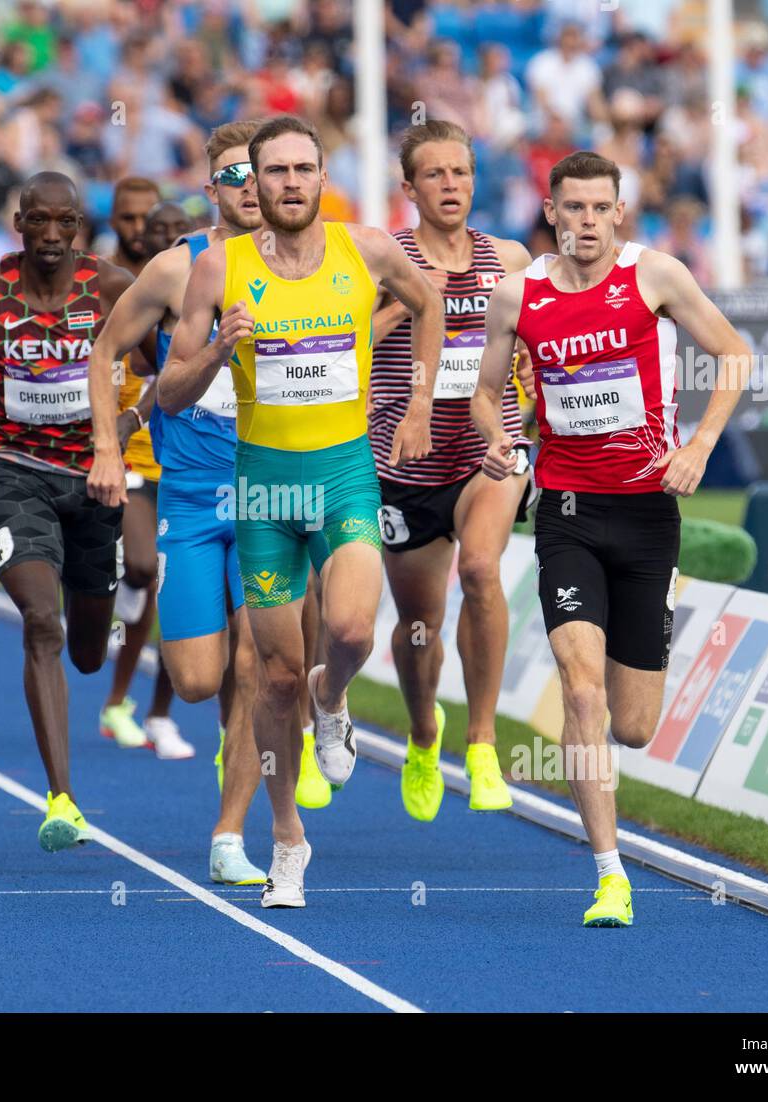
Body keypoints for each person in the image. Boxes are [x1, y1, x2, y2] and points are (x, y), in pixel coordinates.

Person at [155, 116, 444, 907]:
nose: (288, 182)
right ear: (250, 180)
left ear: (323, 176)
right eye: (272, 170)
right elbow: (166, 391)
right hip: (266, 490)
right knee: (273, 679)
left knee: (349, 631)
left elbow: (432, 305)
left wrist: (417, 405)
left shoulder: (369, 250)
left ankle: (337, 695)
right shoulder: (219, 268)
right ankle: (287, 840)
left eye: (303, 168)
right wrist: (217, 348)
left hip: (345, 473)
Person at [473, 151, 751, 927]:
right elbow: (485, 395)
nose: (587, 222)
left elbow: (734, 353)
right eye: (573, 208)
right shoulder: (516, 295)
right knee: (580, 686)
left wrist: (696, 446)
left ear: (619, 213)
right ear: (551, 214)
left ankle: (649, 631)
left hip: (648, 512)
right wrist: (499, 439)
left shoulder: (654, 276)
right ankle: (609, 873)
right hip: (564, 510)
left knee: (630, 724)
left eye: (601, 208)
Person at [89, 121, 298, 884]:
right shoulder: (178, 268)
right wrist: (110, 445)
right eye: (235, 177)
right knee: (200, 678)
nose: (252, 187)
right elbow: (107, 351)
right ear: (213, 189)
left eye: (263, 173)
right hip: (189, 496)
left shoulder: (317, 261)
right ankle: (228, 741)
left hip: (276, 494)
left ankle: (230, 834)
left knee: (262, 663)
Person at [0, 172, 140, 853]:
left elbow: (157, 356)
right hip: (19, 475)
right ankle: (61, 798)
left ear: (79, 227)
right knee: (39, 620)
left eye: (65, 223)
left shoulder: (110, 288)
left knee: (87, 651)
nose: (52, 236)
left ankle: (96, 632)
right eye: (40, 222)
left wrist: (137, 416)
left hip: (95, 483)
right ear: (19, 222)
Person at [369, 120, 534, 821]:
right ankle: (424, 733)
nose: (450, 186)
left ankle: (484, 742)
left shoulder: (511, 257)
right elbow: (340, 343)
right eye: (434, 175)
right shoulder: (382, 257)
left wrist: (532, 358)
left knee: (482, 570)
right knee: (419, 627)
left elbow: (540, 336)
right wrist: (412, 299)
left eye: (460, 173)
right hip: (405, 459)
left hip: (490, 448)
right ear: (409, 188)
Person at [96, 176, 183, 755]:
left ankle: (149, 712)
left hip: (190, 464)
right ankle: (118, 599)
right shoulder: (108, 289)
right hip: (130, 458)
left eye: (149, 224)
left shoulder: (202, 288)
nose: (140, 233)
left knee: (180, 594)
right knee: (143, 569)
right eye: (130, 223)